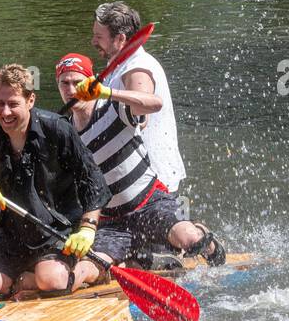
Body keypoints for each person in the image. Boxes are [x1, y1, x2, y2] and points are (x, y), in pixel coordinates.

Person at [59, 48, 226, 274]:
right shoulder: (65, 132)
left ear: (90, 81)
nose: (70, 90)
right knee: (88, 269)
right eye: (64, 83)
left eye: (76, 82)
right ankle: (142, 259)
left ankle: (205, 239)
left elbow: (154, 104)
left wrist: (107, 92)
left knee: (190, 240)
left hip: (150, 203)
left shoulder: (114, 108)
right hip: (111, 221)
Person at [0, 64, 108, 296]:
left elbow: (93, 179)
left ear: (30, 100)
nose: (5, 113)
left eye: (13, 104)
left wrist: (87, 228)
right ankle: (25, 278)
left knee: (52, 281)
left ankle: (91, 267)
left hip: (56, 229)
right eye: (0, 103)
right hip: (12, 229)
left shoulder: (57, 129)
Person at [92, 1, 186, 194]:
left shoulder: (138, 68)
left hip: (150, 179)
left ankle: (196, 226)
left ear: (120, 38)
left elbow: (141, 111)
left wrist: (106, 93)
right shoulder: (122, 65)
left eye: (98, 37)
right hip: (135, 178)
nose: (93, 42)